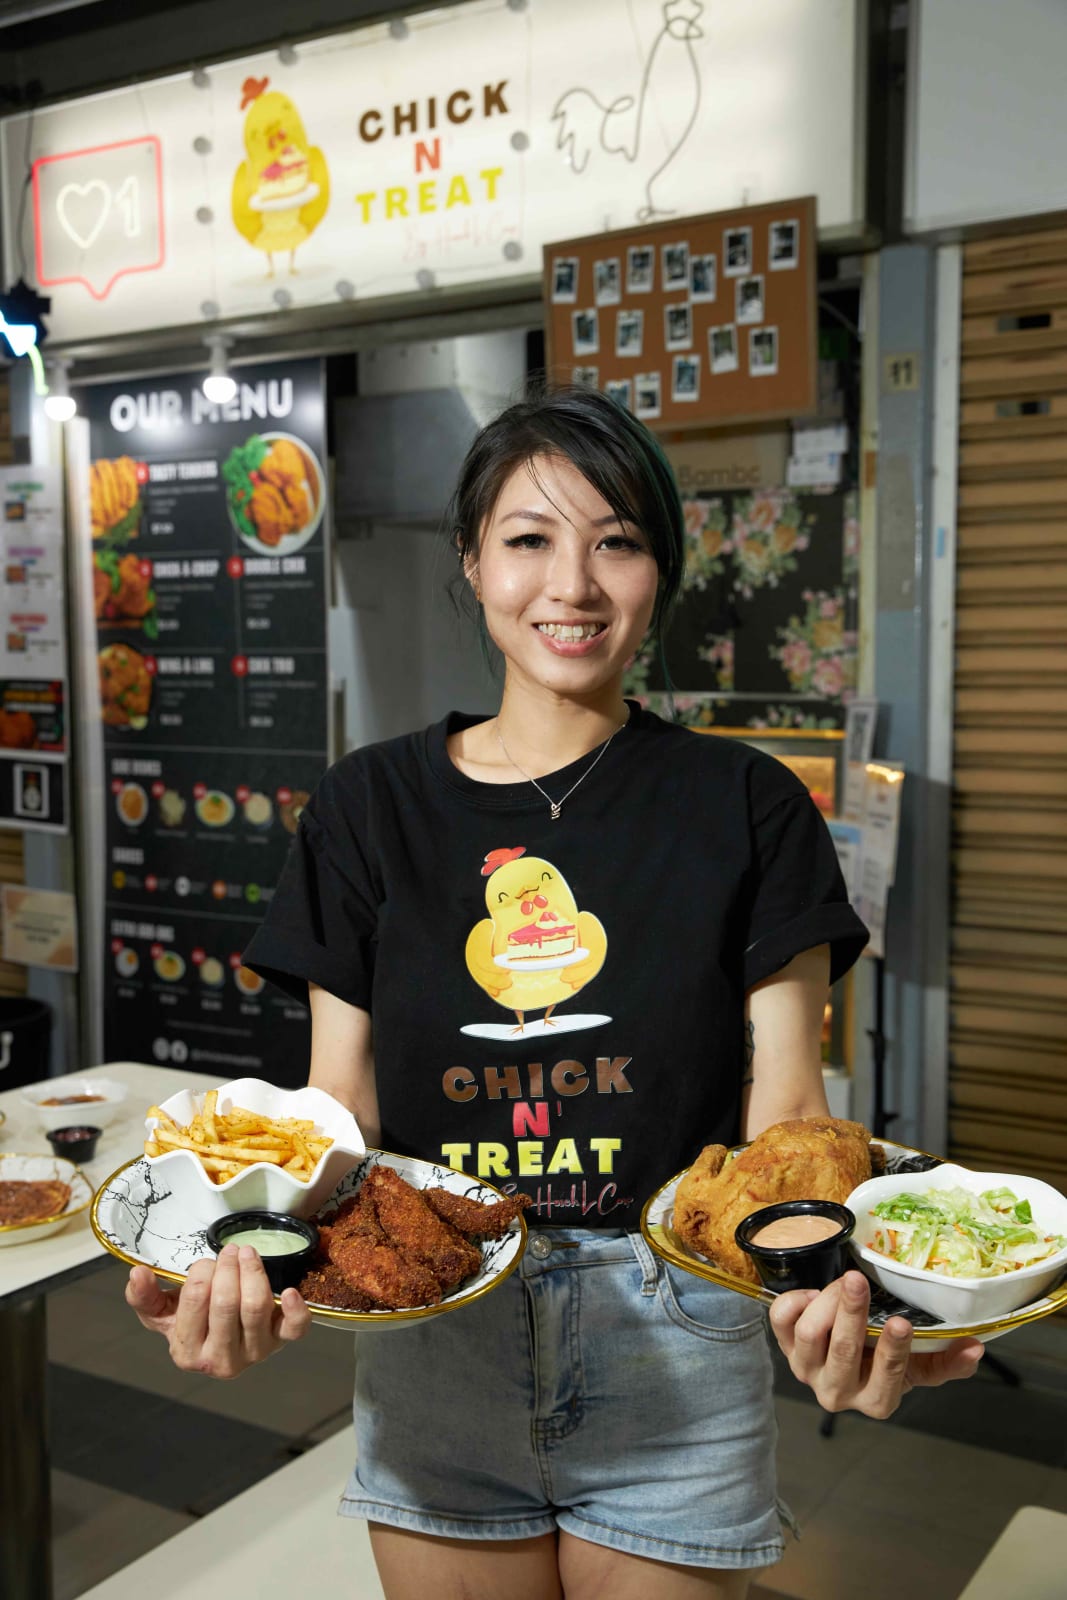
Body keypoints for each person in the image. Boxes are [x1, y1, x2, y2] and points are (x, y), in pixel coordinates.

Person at [127, 388, 984, 1600]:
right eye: (528, 538)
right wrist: (234, 1255)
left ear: (657, 571)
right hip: (437, 1329)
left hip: (678, 1332)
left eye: (615, 541)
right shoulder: (367, 806)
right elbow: (337, 1112)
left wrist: (854, 1295)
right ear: (472, 560)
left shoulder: (745, 804)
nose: (570, 584)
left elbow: (789, 1119)